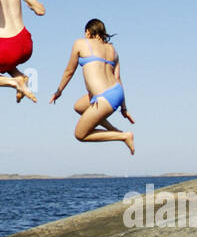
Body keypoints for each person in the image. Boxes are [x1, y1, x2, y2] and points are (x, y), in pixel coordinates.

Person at [49, 18, 135, 154]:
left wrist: (59, 91)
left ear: (88, 32)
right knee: (79, 106)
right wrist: (124, 108)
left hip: (104, 97)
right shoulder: (113, 50)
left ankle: (123, 136)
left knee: (80, 134)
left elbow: (69, 71)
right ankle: (113, 130)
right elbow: (118, 78)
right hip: (116, 93)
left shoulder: (80, 44)